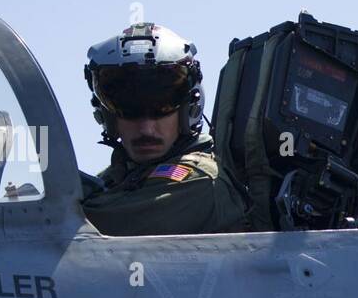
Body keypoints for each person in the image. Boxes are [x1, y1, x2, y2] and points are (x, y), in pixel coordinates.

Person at [81, 23, 249, 236]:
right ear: (107, 115)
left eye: (162, 107)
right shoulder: (115, 178)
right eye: (128, 109)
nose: (146, 128)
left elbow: (82, 227)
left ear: (189, 106)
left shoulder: (201, 182)